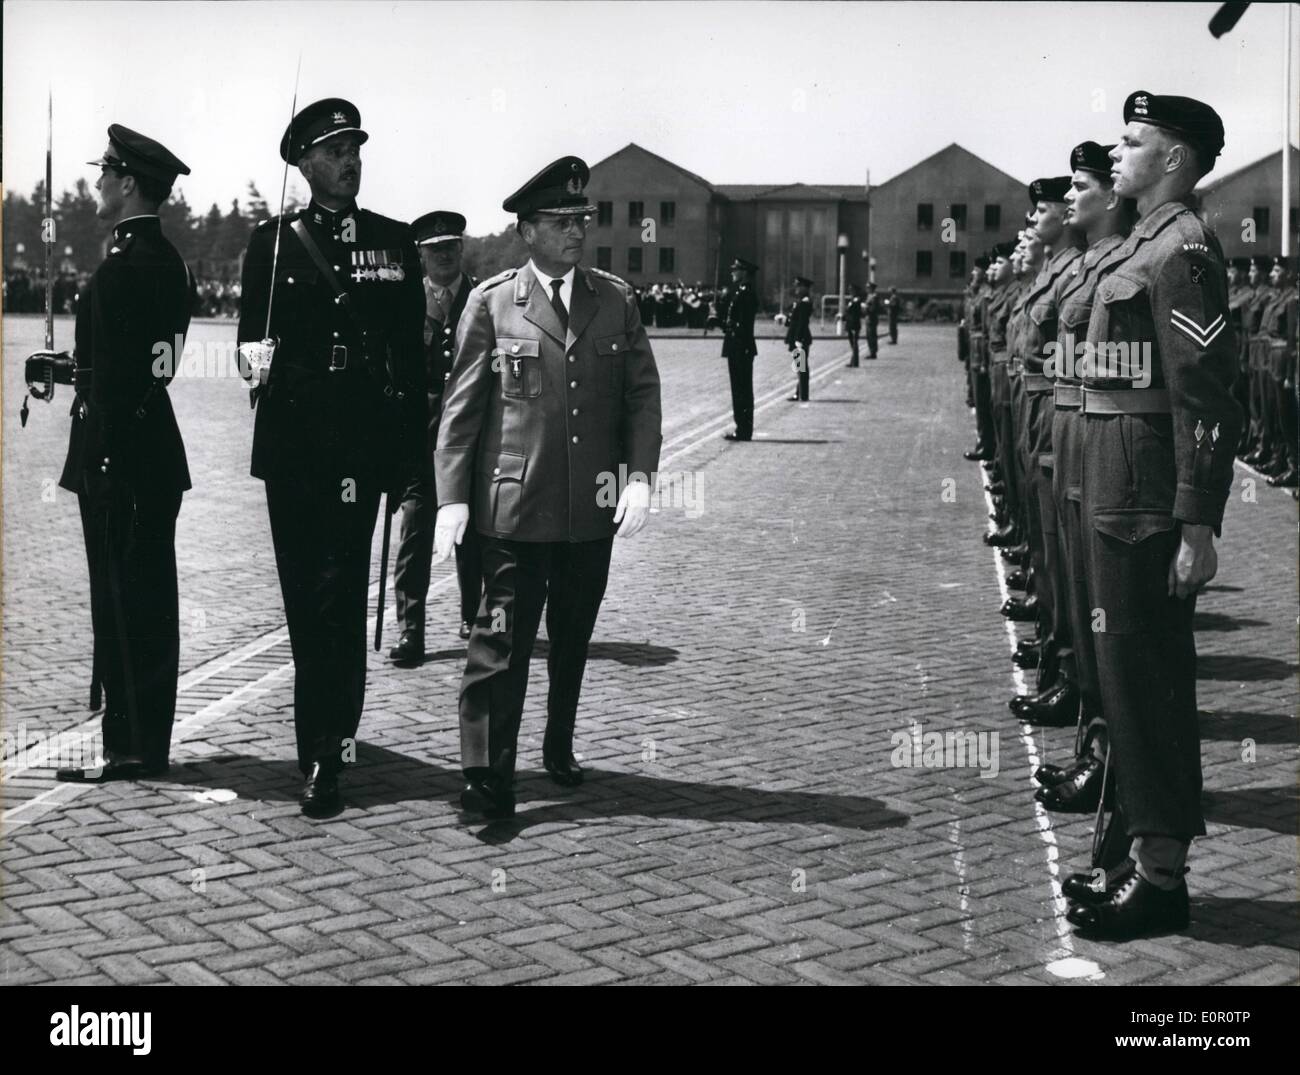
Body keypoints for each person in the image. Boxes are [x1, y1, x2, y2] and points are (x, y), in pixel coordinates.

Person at [432, 156, 663, 820]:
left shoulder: (614, 300)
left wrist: (640, 476)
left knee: (571, 635)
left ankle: (558, 740)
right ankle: (484, 774)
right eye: (560, 222)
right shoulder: (494, 303)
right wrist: (452, 496)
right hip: (514, 511)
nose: (575, 232)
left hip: (589, 512)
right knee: (497, 643)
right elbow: (462, 409)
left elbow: (640, 396)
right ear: (526, 230)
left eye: (580, 221)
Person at [1066, 91, 1241, 940]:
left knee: (1148, 683)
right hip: (1114, 478)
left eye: (1133, 142)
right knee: (1120, 673)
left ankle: (1161, 875)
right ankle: (1127, 854)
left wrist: (1198, 522)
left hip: (1145, 495)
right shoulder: (1143, 238)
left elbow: (1207, 397)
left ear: (1173, 158)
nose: (1120, 152)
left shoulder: (1186, 250)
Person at [237, 98, 426, 817]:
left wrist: (410, 457)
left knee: (339, 594)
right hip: (292, 447)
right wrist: (256, 362)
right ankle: (322, 730)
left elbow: (408, 361)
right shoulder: (273, 244)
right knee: (301, 599)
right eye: (335, 149)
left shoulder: (392, 241)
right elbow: (250, 345)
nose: (349, 160)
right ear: (305, 161)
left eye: (356, 148)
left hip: (358, 446)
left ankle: (326, 751)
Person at [52, 125, 193, 784]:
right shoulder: (170, 262)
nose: (98, 181)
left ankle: (126, 747)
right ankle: (145, 740)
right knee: (152, 599)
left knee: (120, 601)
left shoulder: (119, 269)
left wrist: (101, 459)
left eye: (105, 170)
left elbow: (110, 385)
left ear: (129, 181)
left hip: (117, 457)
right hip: (154, 451)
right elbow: (150, 368)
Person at [389, 210, 482, 665]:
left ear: (461, 249)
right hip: (417, 439)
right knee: (415, 531)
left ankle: (474, 616)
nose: (443, 256)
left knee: (474, 530)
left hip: (472, 436)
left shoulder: (484, 297)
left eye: (451, 246)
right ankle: (411, 631)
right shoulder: (405, 302)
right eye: (433, 249)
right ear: (421, 256)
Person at [722, 257, 759, 441]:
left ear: (744, 272)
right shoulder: (741, 292)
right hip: (737, 346)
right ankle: (742, 426)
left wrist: (727, 325)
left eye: (736, 269)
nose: (732, 272)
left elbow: (742, 324)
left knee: (742, 389)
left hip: (741, 347)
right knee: (739, 389)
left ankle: (744, 429)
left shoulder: (747, 293)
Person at [785, 275, 814, 400]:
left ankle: (802, 393)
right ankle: (801, 392)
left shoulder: (805, 302)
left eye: (798, 286)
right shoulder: (800, 301)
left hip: (800, 339)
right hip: (797, 338)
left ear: (804, 288)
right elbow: (794, 320)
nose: (796, 288)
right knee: (799, 367)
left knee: (801, 367)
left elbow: (802, 322)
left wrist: (798, 339)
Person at [844, 283, 864, 368]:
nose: (850, 291)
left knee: (854, 344)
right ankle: (853, 361)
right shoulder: (852, 300)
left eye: (851, 290)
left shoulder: (856, 300)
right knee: (853, 344)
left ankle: (855, 362)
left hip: (854, 325)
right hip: (850, 324)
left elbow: (853, 312)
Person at [864, 282, 881, 359]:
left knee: (872, 336)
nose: (867, 289)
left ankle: (873, 352)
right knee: (869, 336)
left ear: (872, 288)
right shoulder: (869, 296)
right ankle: (871, 351)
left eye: (868, 287)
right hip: (868, 318)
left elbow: (873, 308)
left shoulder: (874, 297)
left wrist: (866, 308)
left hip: (872, 318)